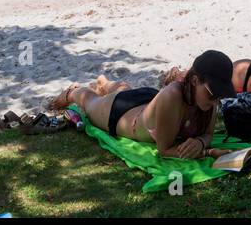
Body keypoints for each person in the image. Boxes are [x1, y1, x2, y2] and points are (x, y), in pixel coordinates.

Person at [48, 51, 235, 159]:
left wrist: (201, 141)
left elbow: (208, 133)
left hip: (148, 101)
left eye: (220, 95)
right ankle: (72, 91)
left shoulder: (208, 98)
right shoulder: (173, 96)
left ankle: (103, 83)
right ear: (194, 81)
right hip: (122, 114)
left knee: (123, 89)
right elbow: (164, 150)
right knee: (89, 101)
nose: (216, 101)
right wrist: (207, 152)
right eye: (213, 94)